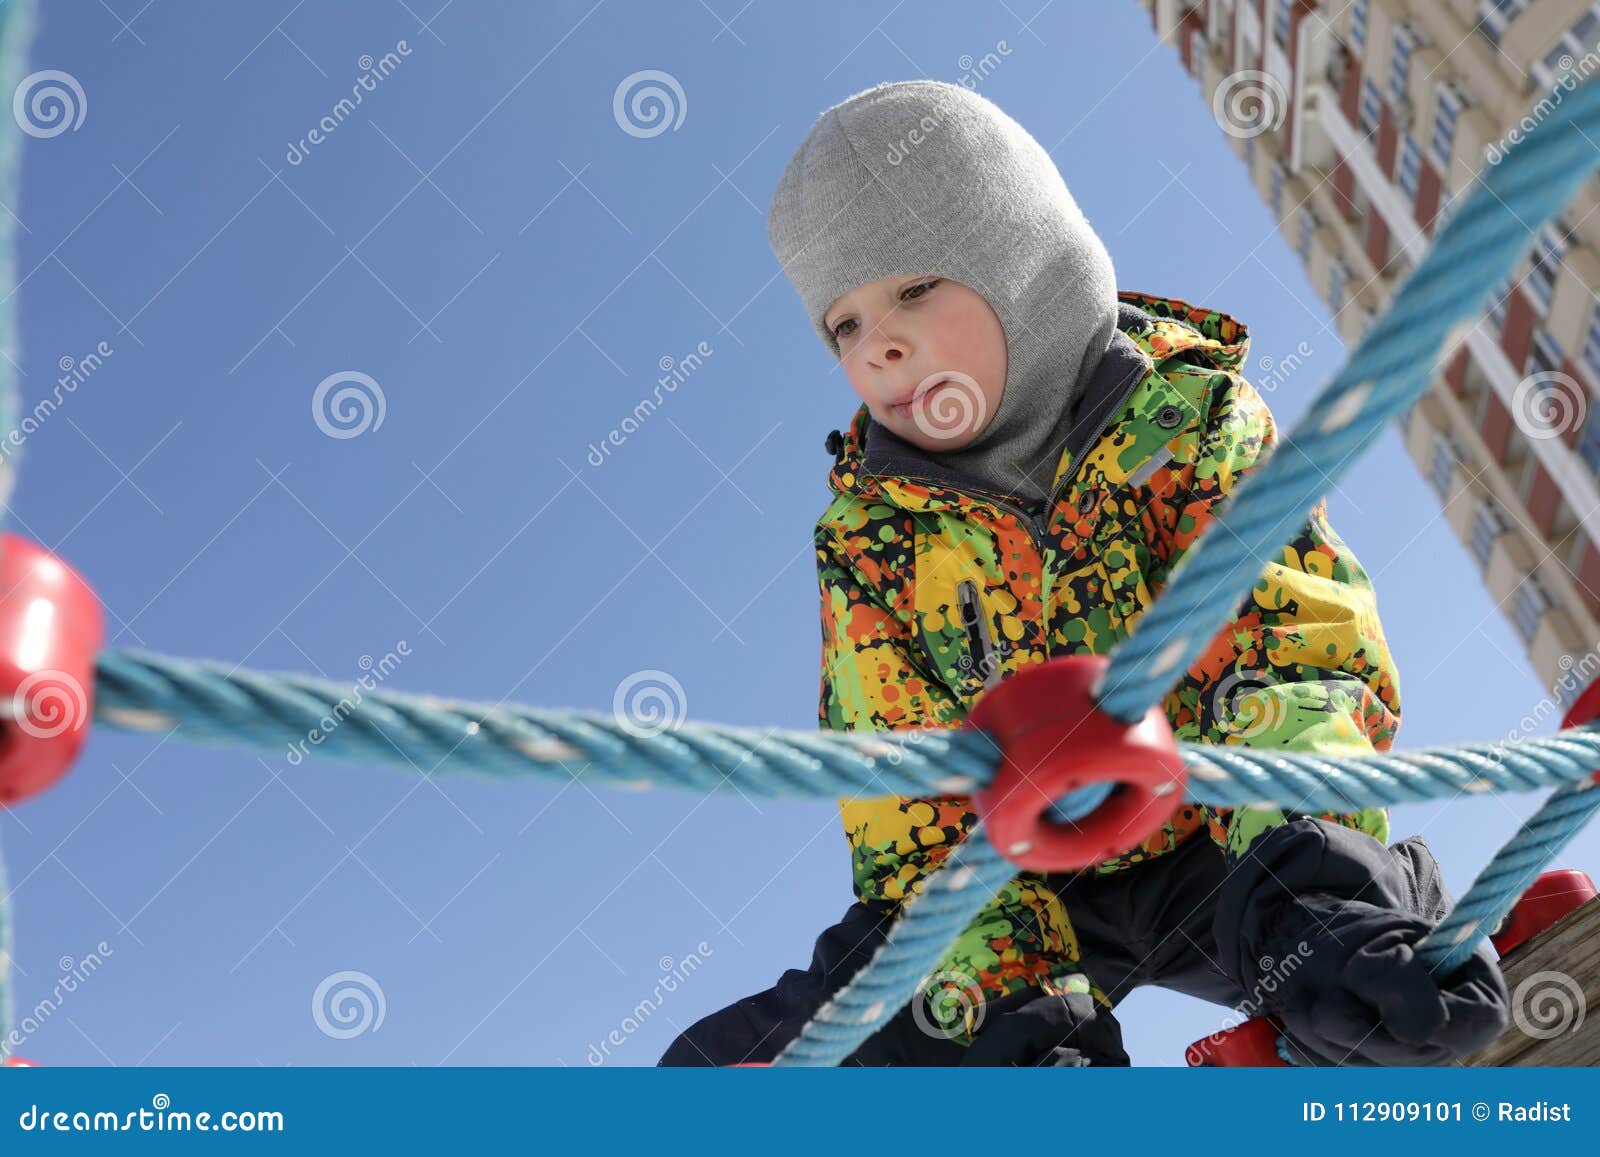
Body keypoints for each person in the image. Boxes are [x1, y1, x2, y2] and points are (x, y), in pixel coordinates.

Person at [657, 79, 1508, 1067]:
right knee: (762, 1050)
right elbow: (909, 798)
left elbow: (1293, 650)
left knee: (1338, 948)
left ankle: (1351, 964)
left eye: (915, 288)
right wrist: (1009, 1008)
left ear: (1021, 262)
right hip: (1021, 883)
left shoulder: (1185, 418)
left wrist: (1306, 861)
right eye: (842, 325)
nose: (877, 343)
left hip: (1222, 833)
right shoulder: (874, 538)